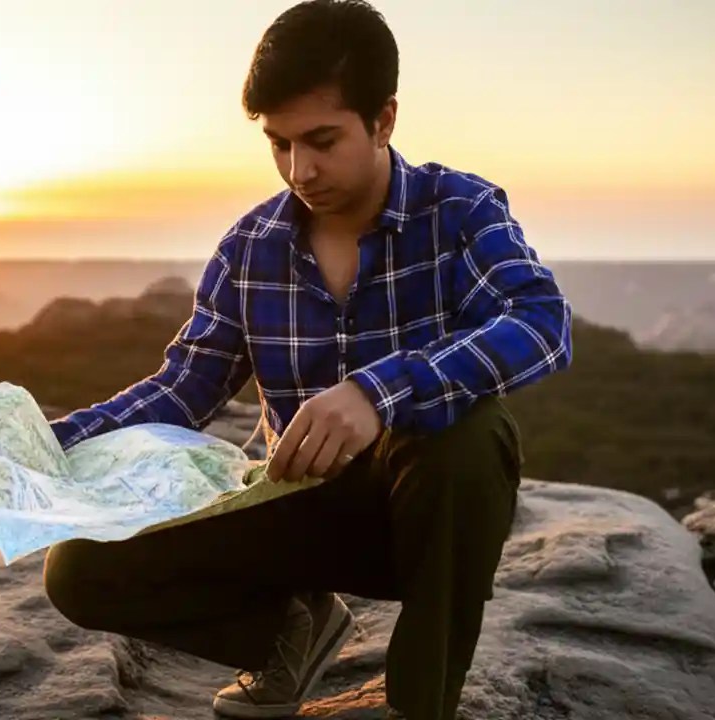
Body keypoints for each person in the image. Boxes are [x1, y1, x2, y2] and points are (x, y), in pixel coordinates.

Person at [41, 1, 572, 718]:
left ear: (383, 119)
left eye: (322, 140)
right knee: (79, 570)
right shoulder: (252, 247)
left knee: (468, 439)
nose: (301, 169)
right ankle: (293, 631)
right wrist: (47, 443)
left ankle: (419, 704)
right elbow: (184, 386)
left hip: (424, 517)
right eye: (279, 144)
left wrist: (378, 392)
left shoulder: (459, 210)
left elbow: (541, 324)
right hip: (295, 506)